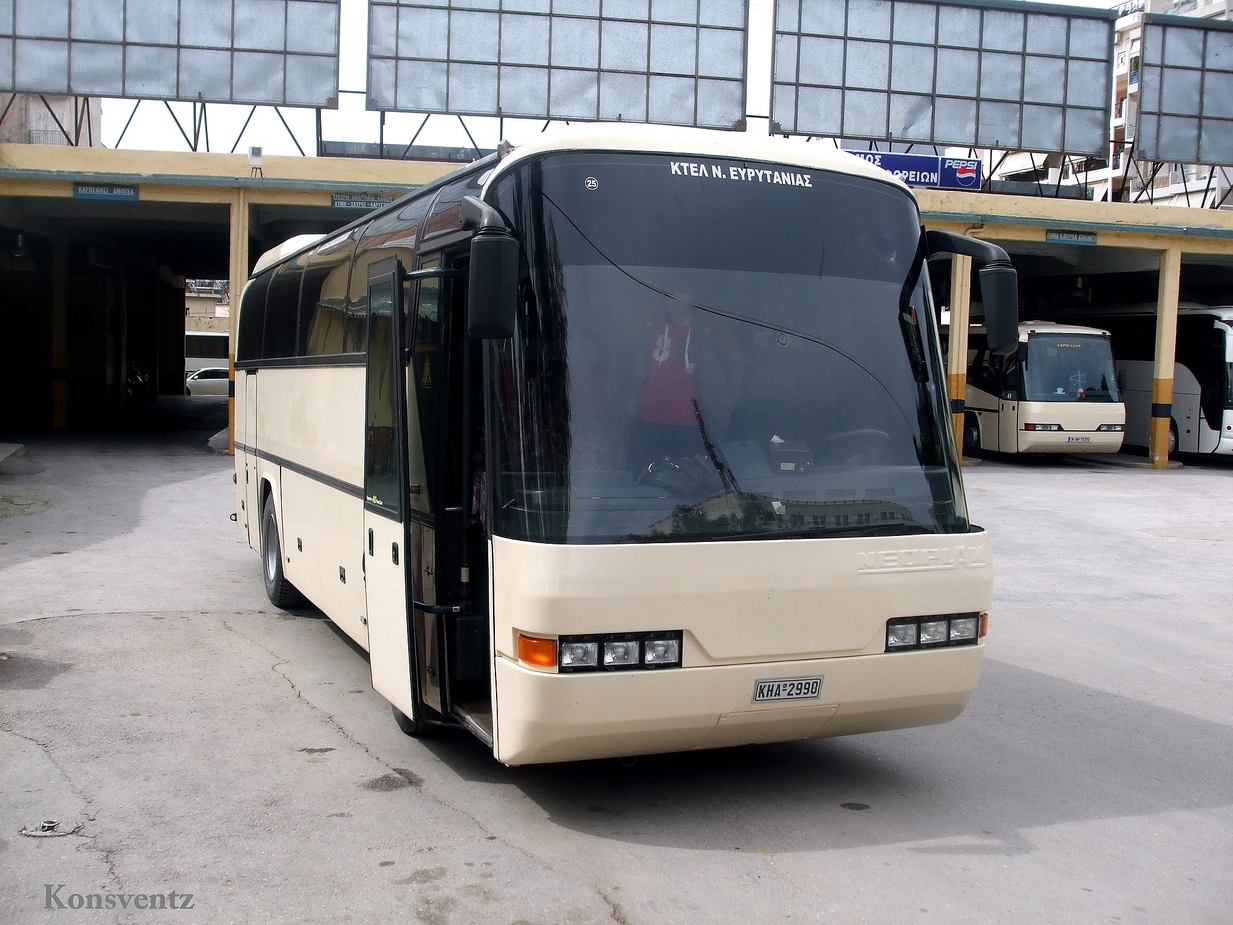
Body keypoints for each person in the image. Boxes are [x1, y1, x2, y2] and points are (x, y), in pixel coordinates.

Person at [625, 292, 742, 477]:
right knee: (649, 485)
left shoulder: (712, 330)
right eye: (671, 295)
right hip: (648, 425)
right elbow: (625, 369)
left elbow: (734, 368)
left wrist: (724, 406)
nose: (676, 301)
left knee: (691, 487)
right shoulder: (644, 326)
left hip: (696, 430)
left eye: (682, 295)